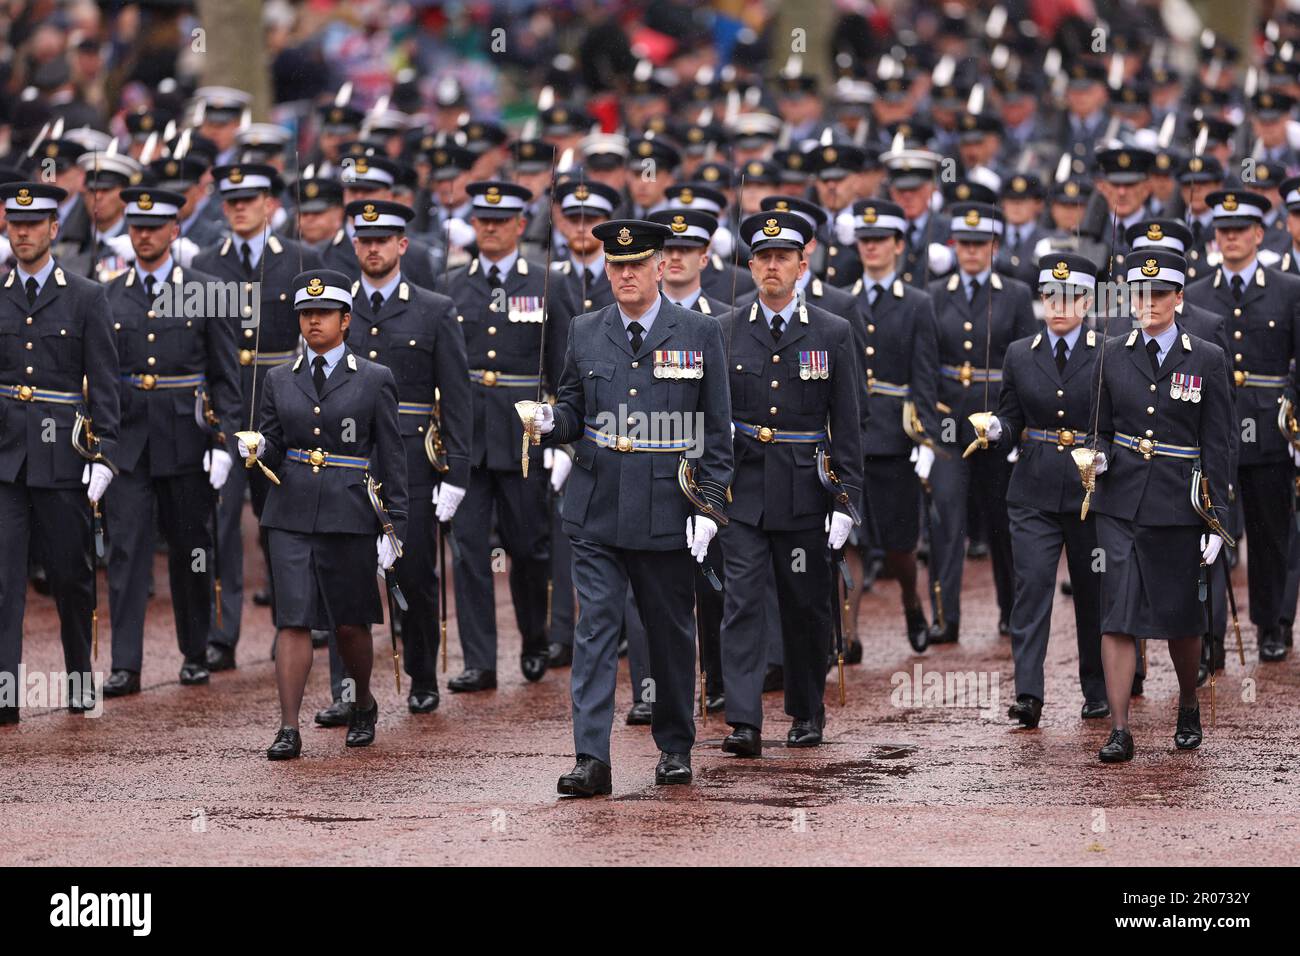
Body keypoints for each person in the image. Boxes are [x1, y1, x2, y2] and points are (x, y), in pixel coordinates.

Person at [532, 219, 732, 796]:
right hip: (596, 506)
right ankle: (591, 757)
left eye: (635, 265)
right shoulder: (584, 329)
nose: (624, 275)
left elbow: (716, 434)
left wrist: (709, 508)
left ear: (660, 267)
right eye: (615, 266)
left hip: (669, 507)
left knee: (669, 631)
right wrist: (552, 423)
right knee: (596, 627)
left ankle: (673, 746)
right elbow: (573, 406)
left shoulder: (699, 332)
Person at [241, 269, 408, 759]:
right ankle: (288, 727)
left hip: (350, 509)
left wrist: (394, 526)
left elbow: (392, 456)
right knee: (292, 619)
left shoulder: (374, 378)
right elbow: (275, 447)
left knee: (350, 622)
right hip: (289, 510)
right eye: (305, 315)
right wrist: (259, 448)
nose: (313, 322)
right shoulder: (277, 378)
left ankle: (362, 703)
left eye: (323, 314)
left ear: (346, 319)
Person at [313, 199, 469, 724]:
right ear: (353, 244)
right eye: (364, 239)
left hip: (411, 460)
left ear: (403, 244)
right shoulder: (332, 307)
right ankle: (349, 689)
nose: (372, 248)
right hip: (345, 460)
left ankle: (422, 676)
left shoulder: (434, 308)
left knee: (413, 572)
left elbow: (457, 394)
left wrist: (458, 472)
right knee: (342, 575)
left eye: (383, 239)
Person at [716, 209, 864, 756]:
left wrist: (848, 501)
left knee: (806, 605)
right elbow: (713, 422)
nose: (771, 266)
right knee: (743, 603)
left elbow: (848, 425)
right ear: (751, 265)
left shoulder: (833, 331)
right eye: (762, 258)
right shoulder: (726, 330)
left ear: (804, 264)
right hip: (745, 491)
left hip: (806, 492)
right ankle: (744, 721)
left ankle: (806, 712)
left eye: (782, 257)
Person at [1091, 249, 1233, 763]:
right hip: (1121, 502)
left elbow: (1219, 445)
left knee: (1180, 615)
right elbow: (1101, 429)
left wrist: (1217, 518)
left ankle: (1189, 705)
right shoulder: (1110, 352)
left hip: (1179, 503)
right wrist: (1099, 457)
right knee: (1118, 613)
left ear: (1178, 298)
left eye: (1158, 294)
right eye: (1139, 293)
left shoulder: (1207, 357)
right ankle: (1120, 727)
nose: (1148, 303)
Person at [438, 180, 578, 692]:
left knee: (529, 545)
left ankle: (535, 637)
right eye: (482, 221)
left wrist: (563, 438)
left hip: (524, 439)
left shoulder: (548, 283)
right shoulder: (450, 285)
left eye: (501, 221)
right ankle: (480, 660)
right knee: (469, 549)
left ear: (521, 225)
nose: (490, 228)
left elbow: (567, 369)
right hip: (467, 436)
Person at [101, 187, 241, 696]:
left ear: (174, 231)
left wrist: (225, 442)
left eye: (154, 227)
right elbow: (98, 374)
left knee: (192, 550)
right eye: (136, 227)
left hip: (188, 439)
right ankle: (126, 663)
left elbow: (227, 377)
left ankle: (195, 650)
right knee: (127, 552)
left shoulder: (206, 290)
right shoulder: (108, 294)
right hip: (130, 441)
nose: (144, 235)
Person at [193, 163, 324, 672]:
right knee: (220, 523)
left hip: (282, 406)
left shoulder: (299, 258)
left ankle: (294, 622)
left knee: (285, 524)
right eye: (231, 200)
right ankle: (220, 635)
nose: (240, 207)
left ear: (271, 204)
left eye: (251, 199)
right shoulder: (205, 263)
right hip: (226, 407)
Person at [0, 181, 119, 723]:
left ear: (53, 228)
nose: (23, 231)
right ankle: (5, 695)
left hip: (65, 456)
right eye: (15, 222)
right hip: (5, 457)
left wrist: (105, 454)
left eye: (35, 222)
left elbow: (107, 382)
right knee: (4, 582)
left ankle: (78, 681)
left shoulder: (87, 295)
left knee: (71, 577)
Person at [979, 253, 1107, 726]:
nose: (1058, 305)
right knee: (1030, 590)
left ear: (1088, 300)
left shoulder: (1106, 350)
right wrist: (998, 429)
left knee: (1093, 592)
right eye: (1051, 295)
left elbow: (1114, 420)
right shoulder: (1019, 352)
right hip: (1032, 488)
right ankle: (1028, 693)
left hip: (1088, 489)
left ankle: (1096, 689)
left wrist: (1103, 454)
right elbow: (1013, 416)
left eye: (1070, 296)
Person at [1184, 189, 1300, 662]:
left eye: (1239, 230)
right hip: (1214, 429)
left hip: (1269, 425)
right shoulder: (1193, 293)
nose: (1230, 238)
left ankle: (1271, 623)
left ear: (1258, 233)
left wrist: (1291, 405)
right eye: (1222, 231)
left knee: (1271, 531)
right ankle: (1211, 634)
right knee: (1213, 531)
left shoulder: (1289, 288)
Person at [925, 201, 1037, 643]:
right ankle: (945, 616)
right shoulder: (934, 293)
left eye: (981, 244)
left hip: (997, 423)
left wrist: (1015, 422)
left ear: (994, 245)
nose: (972, 252)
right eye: (965, 244)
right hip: (949, 422)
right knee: (945, 518)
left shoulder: (1014, 294)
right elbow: (926, 361)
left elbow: (1027, 362)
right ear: (955, 245)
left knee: (1002, 522)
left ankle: (1010, 611)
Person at [849, 198, 940, 653]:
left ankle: (910, 601)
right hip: (850, 434)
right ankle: (848, 634)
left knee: (901, 541)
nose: (871, 248)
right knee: (848, 537)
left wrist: (926, 436)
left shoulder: (917, 303)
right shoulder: (842, 299)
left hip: (896, 436)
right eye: (864, 240)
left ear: (899, 245)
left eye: (880, 240)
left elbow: (924, 375)